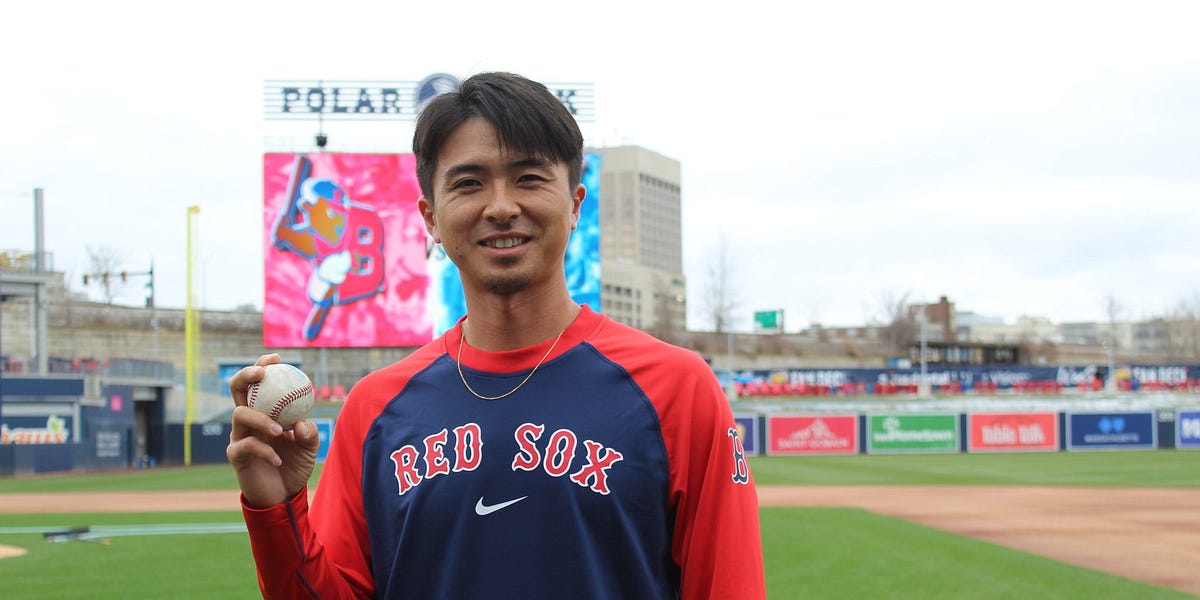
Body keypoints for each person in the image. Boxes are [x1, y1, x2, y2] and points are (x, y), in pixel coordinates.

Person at [226, 71, 765, 599]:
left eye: (529, 178)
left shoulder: (677, 387)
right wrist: (278, 508)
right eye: (468, 183)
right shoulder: (375, 409)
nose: (502, 206)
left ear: (576, 203)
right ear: (431, 218)